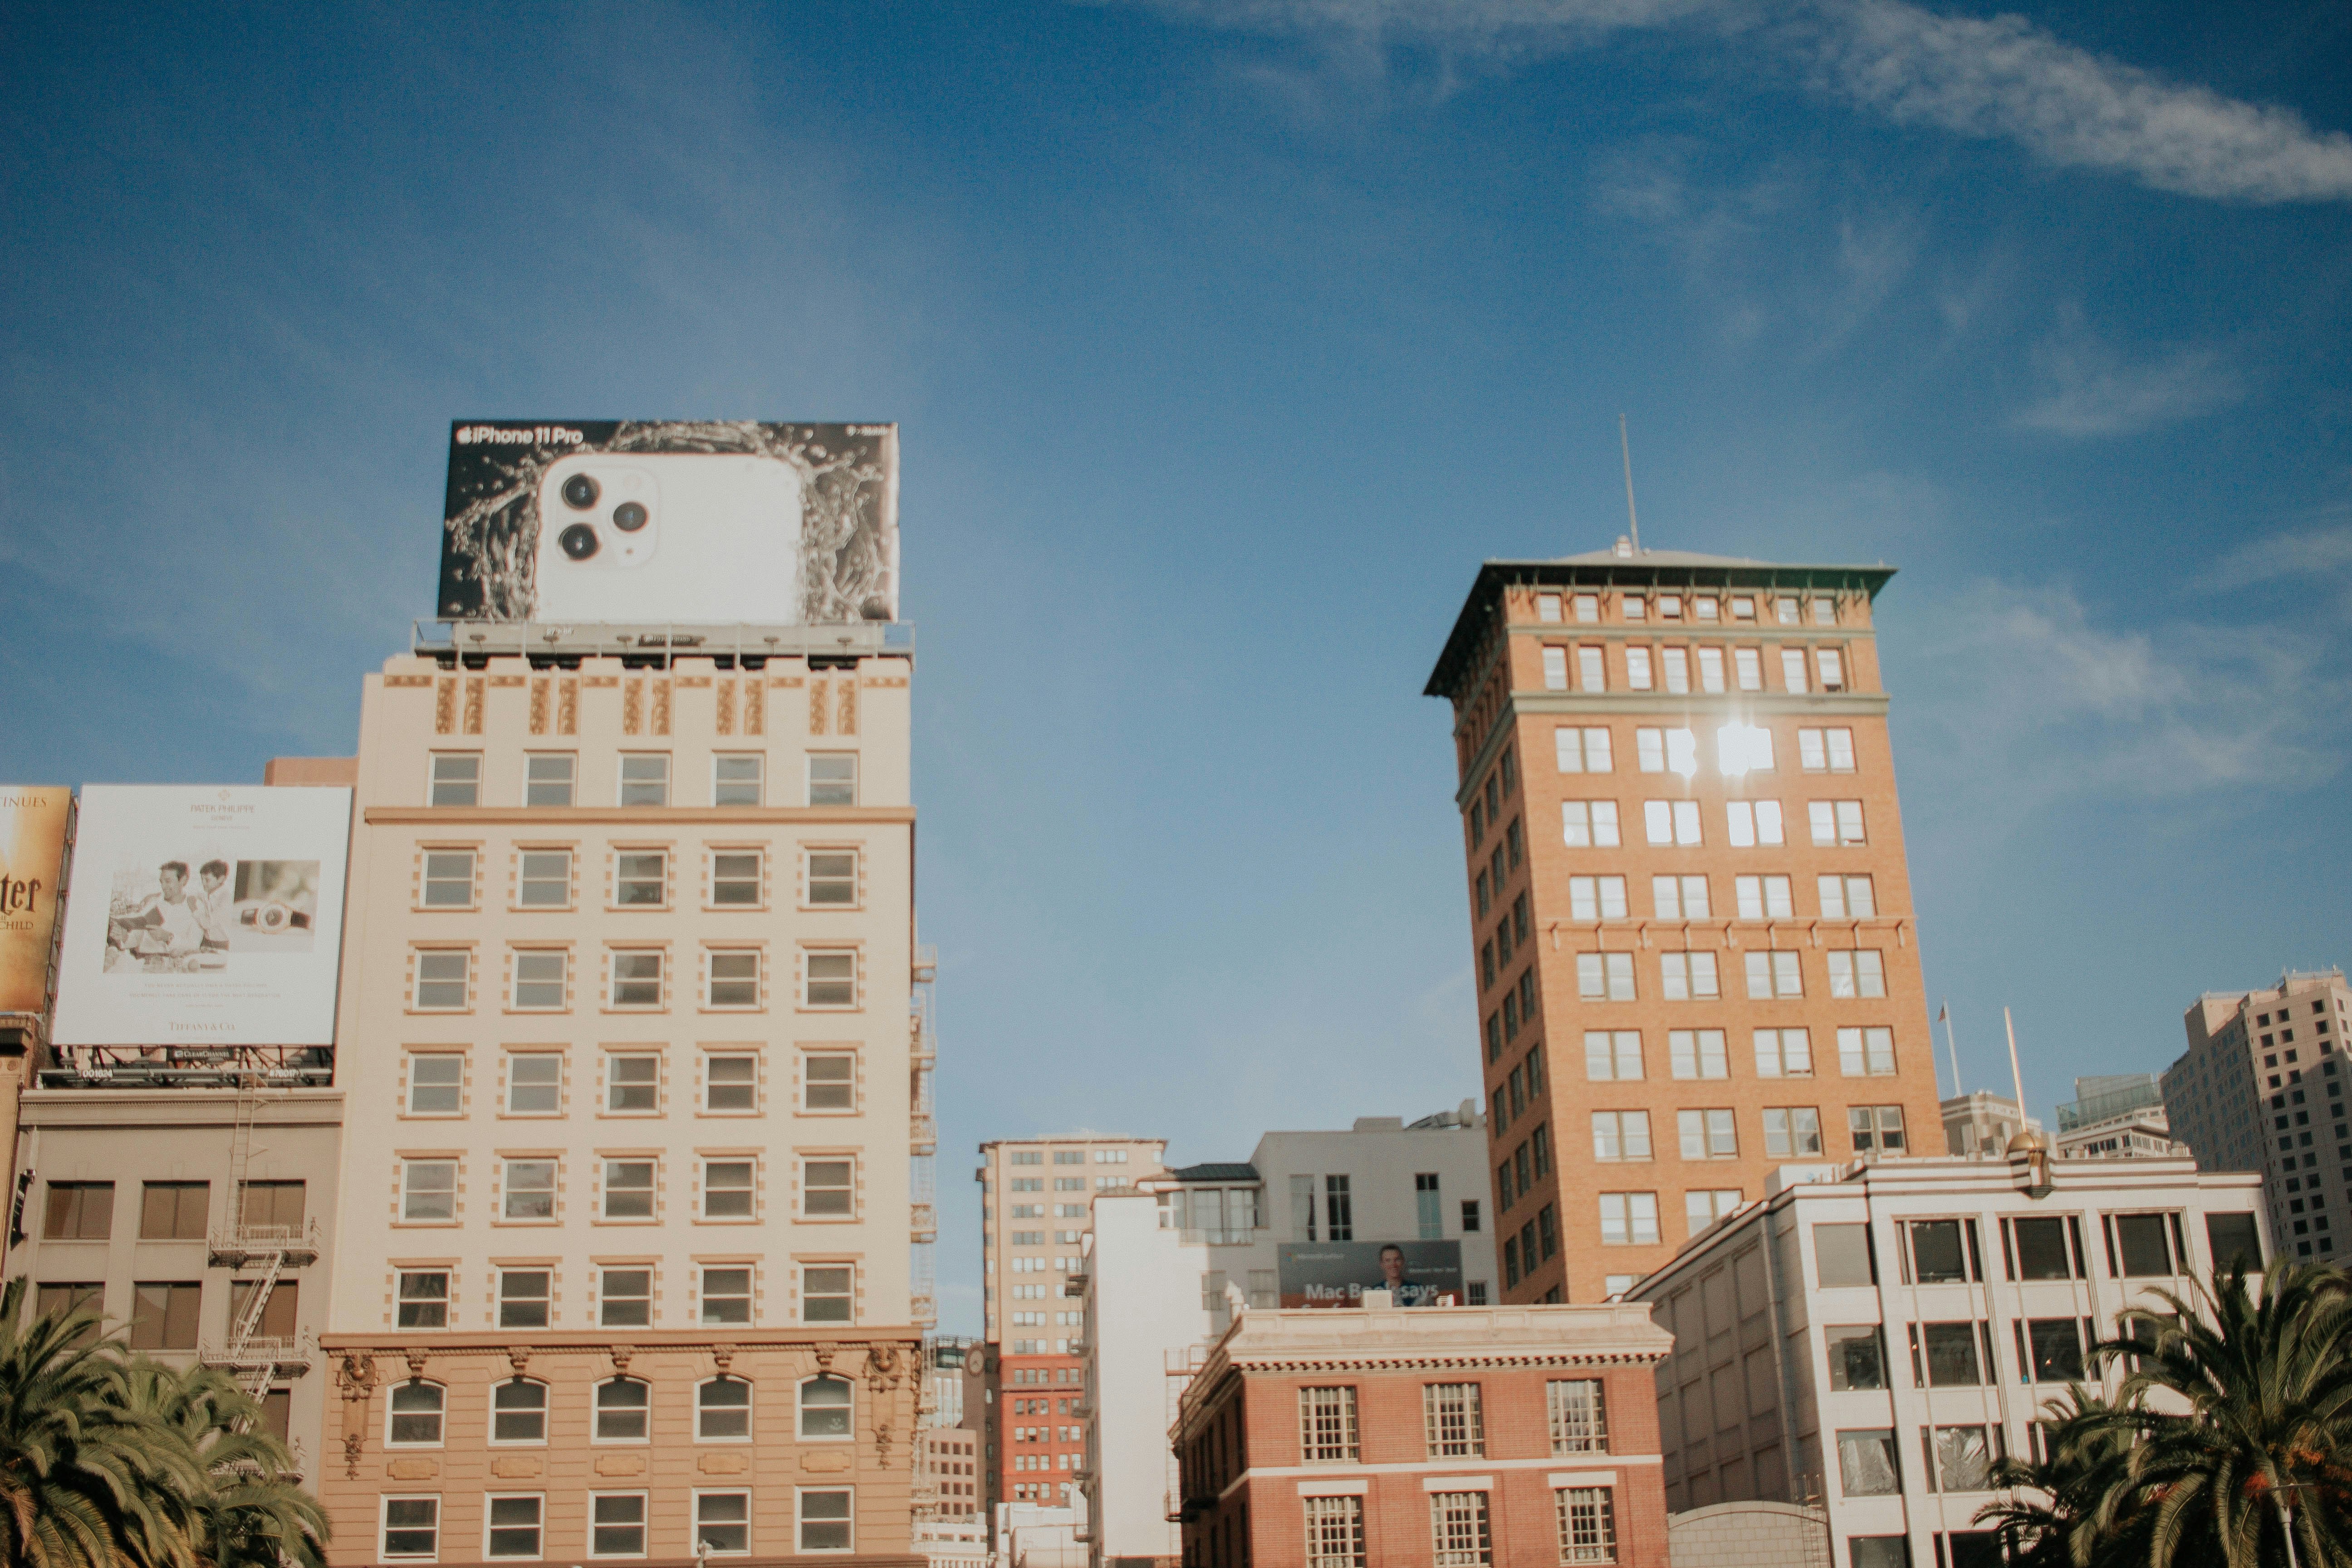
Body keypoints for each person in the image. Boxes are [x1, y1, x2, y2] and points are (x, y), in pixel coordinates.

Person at [112, 860, 205, 957]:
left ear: (183, 880)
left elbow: (194, 946)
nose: (163, 887)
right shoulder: (153, 902)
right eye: (162, 882)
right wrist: (125, 937)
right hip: (143, 959)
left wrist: (168, 938)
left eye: (168, 881)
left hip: (174, 962)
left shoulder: (195, 907)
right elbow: (137, 937)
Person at [1375, 1243, 1436, 1307]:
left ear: (1403, 1261)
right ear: (1382, 1264)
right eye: (1388, 1261)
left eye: (1397, 1260)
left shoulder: (1419, 1290)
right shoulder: (1375, 1291)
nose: (1393, 1264)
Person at [194, 859, 233, 950]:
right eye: (202, 879)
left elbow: (208, 923)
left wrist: (194, 908)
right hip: (206, 941)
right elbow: (197, 896)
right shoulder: (208, 894)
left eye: (207, 880)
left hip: (221, 944)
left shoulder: (226, 899)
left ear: (221, 879)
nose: (203, 883)